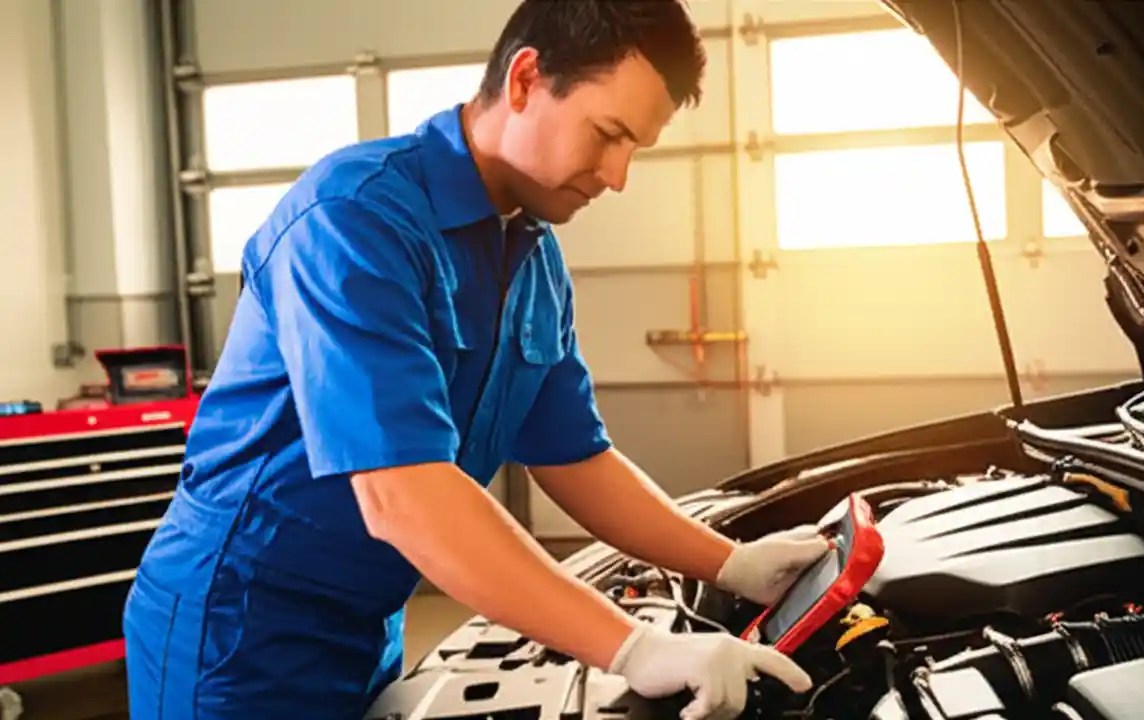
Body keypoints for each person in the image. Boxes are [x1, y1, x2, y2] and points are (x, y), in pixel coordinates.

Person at [122, 2, 830, 718]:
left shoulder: (532, 256)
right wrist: (632, 647)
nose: (617, 175)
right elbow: (406, 496)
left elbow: (575, 458)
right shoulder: (354, 220)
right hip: (237, 631)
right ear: (525, 79)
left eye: (635, 148)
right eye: (608, 134)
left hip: (368, 619)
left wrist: (732, 563)